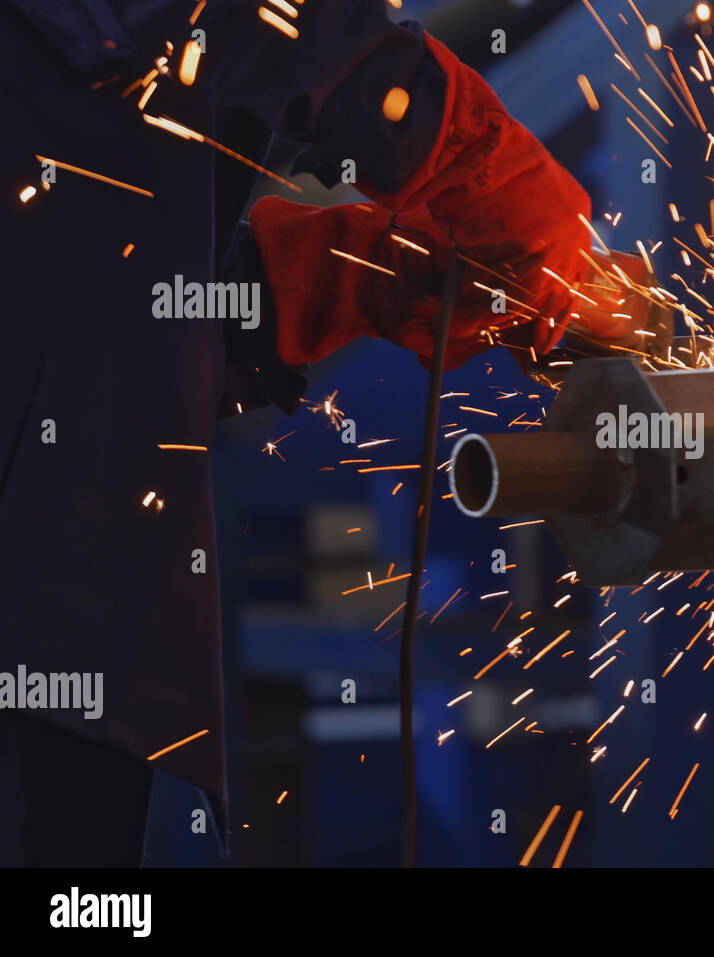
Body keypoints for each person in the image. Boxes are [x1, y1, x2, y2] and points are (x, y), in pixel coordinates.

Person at [0, 0, 603, 865]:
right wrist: (501, 184)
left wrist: (362, 281)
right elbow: (286, 30)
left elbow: (102, 280)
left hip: (71, 604)